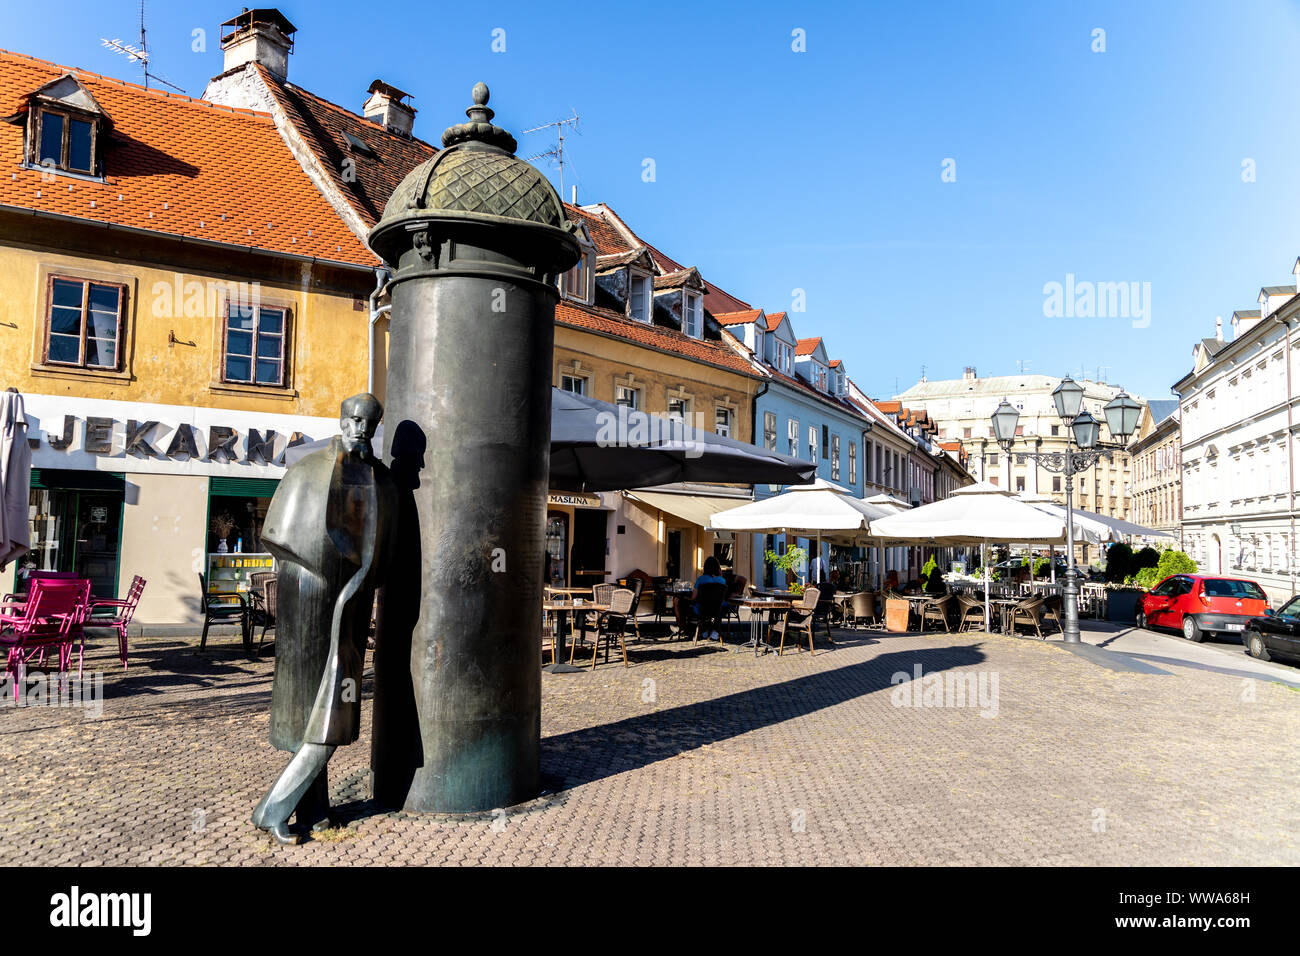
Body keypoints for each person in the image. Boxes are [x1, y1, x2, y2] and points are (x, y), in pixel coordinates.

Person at [251, 393, 396, 846]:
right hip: (307, 597)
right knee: (308, 704)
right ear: (342, 419)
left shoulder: (383, 481)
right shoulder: (309, 470)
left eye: (370, 423)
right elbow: (279, 534)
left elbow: (384, 548)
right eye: (355, 420)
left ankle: (309, 809)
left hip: (350, 601)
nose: (361, 429)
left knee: (335, 702)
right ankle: (284, 808)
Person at [673, 555, 728, 639]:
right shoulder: (722, 580)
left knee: (678, 601)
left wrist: (684, 598)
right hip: (717, 610)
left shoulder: (701, 579)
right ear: (718, 568)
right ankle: (704, 630)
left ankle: (682, 627)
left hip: (701, 610)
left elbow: (693, 598)